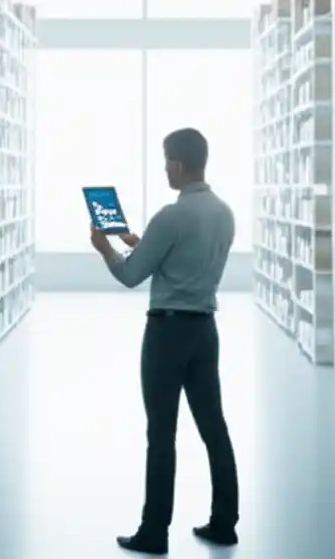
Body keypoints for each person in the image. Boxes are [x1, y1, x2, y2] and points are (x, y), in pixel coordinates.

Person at [89, 128, 240, 556]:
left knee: (161, 433)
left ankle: (154, 532)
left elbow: (130, 275)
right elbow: (186, 260)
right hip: (205, 332)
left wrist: (105, 248)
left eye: (165, 162)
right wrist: (143, 245)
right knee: (214, 427)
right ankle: (224, 523)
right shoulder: (224, 213)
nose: (164, 170)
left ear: (176, 164)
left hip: (167, 334)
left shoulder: (170, 216)